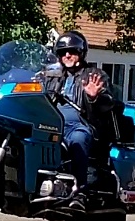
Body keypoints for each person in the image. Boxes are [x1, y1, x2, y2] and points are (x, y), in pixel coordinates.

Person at [39, 31, 115, 211]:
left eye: (72, 51)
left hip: (81, 125)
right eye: (63, 52)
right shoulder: (50, 76)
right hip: (52, 124)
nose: (67, 55)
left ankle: (80, 190)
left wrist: (94, 97)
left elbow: (108, 103)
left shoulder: (94, 75)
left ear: (81, 53)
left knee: (79, 140)